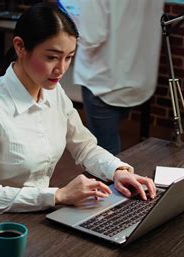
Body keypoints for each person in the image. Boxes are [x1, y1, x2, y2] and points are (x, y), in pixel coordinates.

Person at [0, 3, 157, 233]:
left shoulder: (54, 93)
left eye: (69, 57)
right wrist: (58, 195)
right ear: (20, 47)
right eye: (52, 57)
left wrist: (117, 171)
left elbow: (85, 147)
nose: (61, 69)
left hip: (35, 219)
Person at [59, 0, 165, 155]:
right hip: (140, 75)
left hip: (104, 81)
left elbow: (91, 36)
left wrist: (70, 13)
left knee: (104, 156)